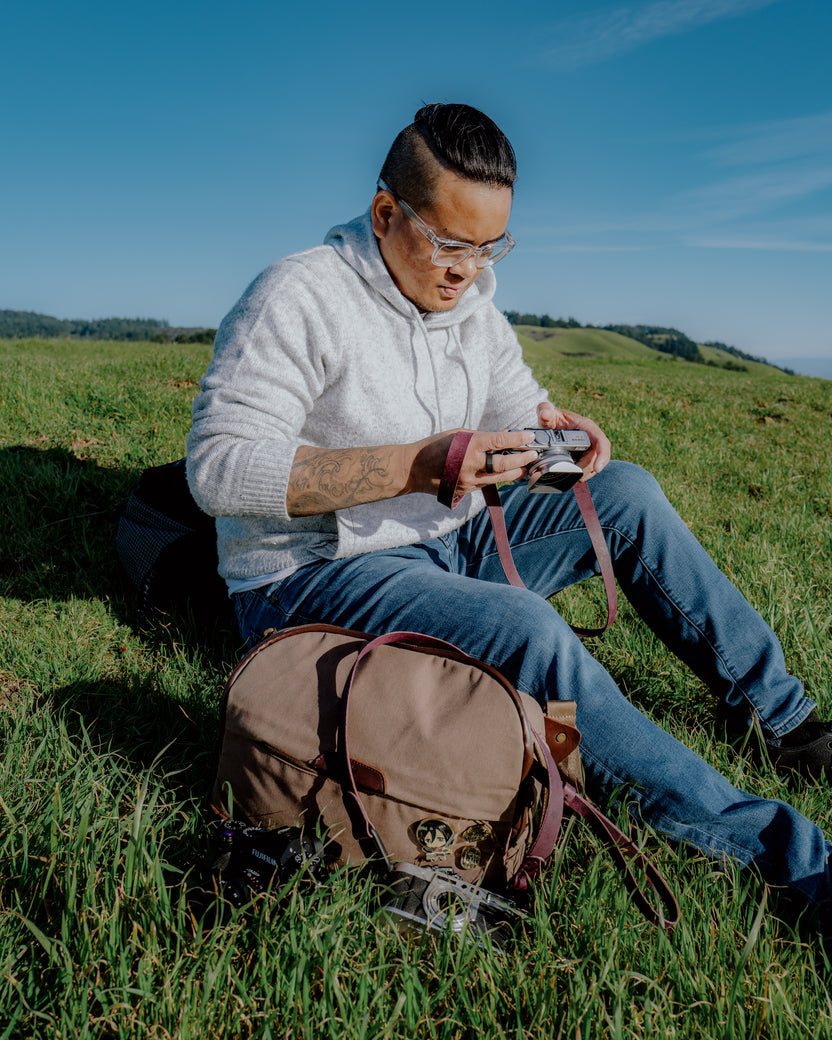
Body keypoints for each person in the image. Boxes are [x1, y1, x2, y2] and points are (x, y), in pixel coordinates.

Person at [187, 102, 832, 924]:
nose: (469, 270)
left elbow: (516, 402)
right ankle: (790, 863)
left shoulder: (471, 301)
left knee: (626, 491)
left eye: (491, 246)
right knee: (526, 629)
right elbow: (218, 469)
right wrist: (417, 465)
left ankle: (786, 721)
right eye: (450, 245)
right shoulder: (296, 294)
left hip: (446, 542)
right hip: (317, 572)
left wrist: (554, 434)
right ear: (386, 213)